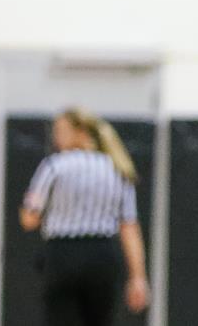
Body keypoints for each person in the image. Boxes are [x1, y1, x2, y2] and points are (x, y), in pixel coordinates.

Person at [18, 109, 149, 326]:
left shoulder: (54, 166)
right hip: (102, 256)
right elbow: (129, 227)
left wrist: (32, 207)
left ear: (80, 131)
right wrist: (138, 277)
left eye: (60, 130)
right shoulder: (117, 168)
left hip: (63, 254)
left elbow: (29, 219)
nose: (56, 137)